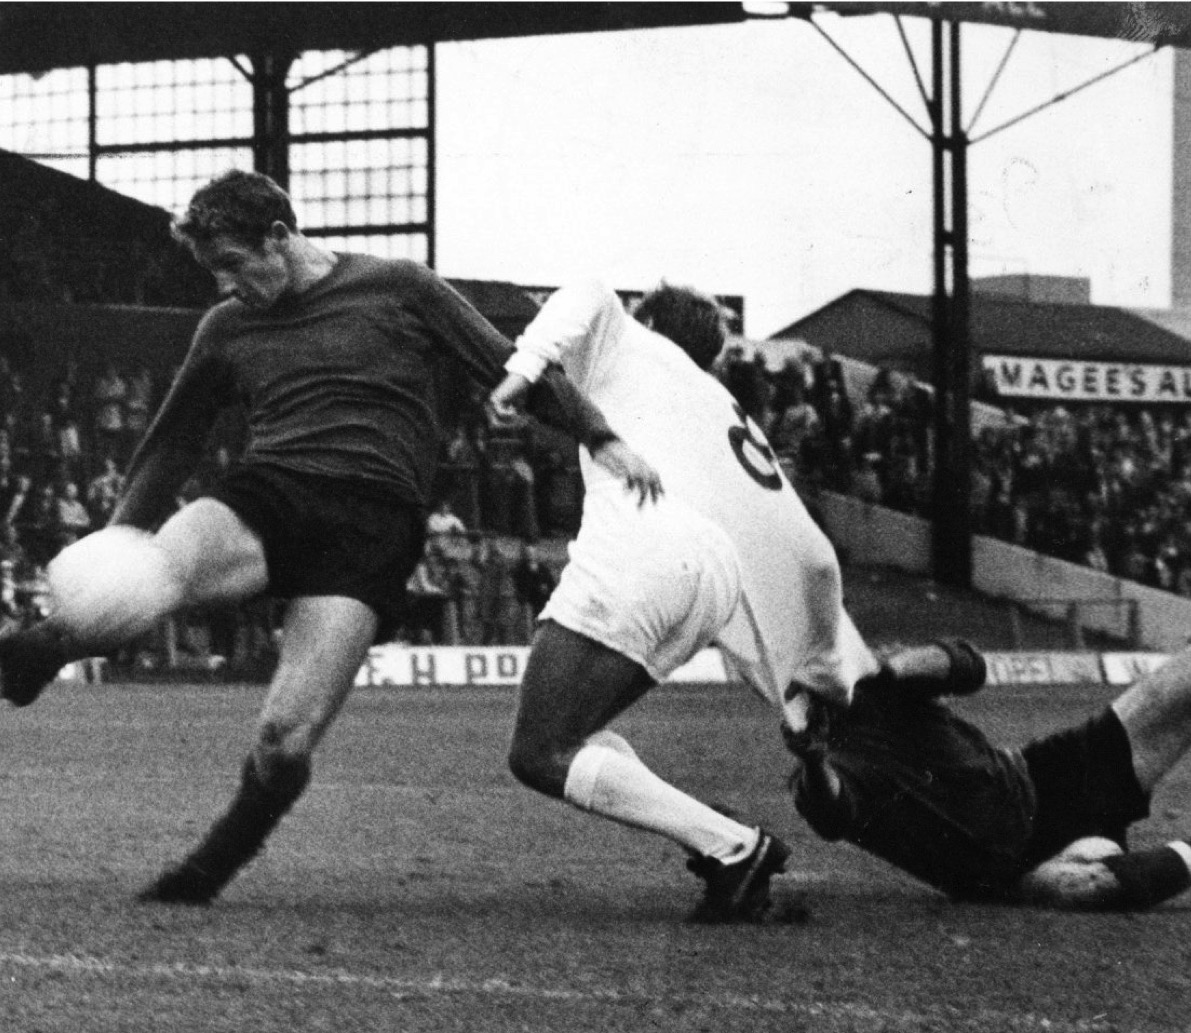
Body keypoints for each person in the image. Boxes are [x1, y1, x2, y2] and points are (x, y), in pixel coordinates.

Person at [0, 170, 661, 905]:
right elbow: (174, 440)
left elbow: (509, 364)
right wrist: (117, 540)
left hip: (373, 529)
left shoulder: (400, 288)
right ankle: (32, 652)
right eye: (213, 271)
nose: (225, 285)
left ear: (279, 236)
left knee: (284, 740)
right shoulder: (225, 327)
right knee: (150, 573)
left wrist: (599, 435)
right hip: (269, 494)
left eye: (232, 264)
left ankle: (208, 868)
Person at [488, 278, 877, 923]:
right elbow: (811, 553)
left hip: (643, 546)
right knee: (574, 736)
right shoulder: (723, 409)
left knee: (538, 754)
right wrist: (813, 681)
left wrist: (522, 368)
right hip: (714, 576)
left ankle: (732, 847)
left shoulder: (633, 345)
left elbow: (588, 290)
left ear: (650, 322)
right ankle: (723, 845)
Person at [786, 639, 1191, 911]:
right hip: (1019, 871)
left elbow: (969, 664)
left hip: (1050, 780)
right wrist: (814, 759)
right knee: (1085, 887)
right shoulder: (819, 770)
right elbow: (832, 813)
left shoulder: (885, 685)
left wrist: (891, 670)